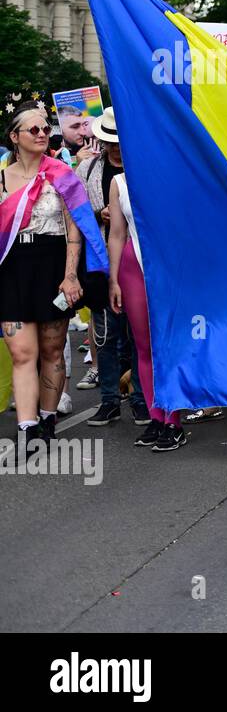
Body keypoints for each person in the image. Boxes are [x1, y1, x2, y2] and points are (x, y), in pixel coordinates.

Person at [1, 103, 106, 455]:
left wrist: (70, 275)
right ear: (14, 137)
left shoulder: (61, 174)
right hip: (11, 268)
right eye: (34, 130)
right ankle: (27, 428)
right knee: (21, 351)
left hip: (52, 267)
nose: (43, 134)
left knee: (50, 349)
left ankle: (47, 419)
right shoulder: (1, 178)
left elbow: (74, 231)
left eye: (47, 129)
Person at [106, 135, 188, 451]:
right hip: (132, 266)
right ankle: (156, 417)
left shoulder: (171, 173)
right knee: (144, 346)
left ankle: (174, 421)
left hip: (169, 266)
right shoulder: (119, 182)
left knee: (169, 344)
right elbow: (116, 234)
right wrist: (113, 279)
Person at [75, 110, 148, 429]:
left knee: (139, 337)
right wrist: (98, 213)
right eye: (109, 141)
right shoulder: (87, 169)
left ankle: (141, 399)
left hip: (138, 265)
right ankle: (108, 401)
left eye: (119, 141)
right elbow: (73, 216)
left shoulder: (143, 168)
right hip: (98, 265)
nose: (115, 147)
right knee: (104, 337)